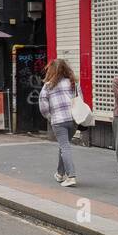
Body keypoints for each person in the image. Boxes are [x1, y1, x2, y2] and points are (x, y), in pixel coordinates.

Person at [38, 58, 80, 188]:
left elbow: (43, 106)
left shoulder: (48, 85)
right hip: (73, 120)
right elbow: (80, 100)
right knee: (64, 146)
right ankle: (60, 174)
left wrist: (50, 117)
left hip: (58, 121)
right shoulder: (73, 83)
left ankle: (71, 176)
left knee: (64, 147)